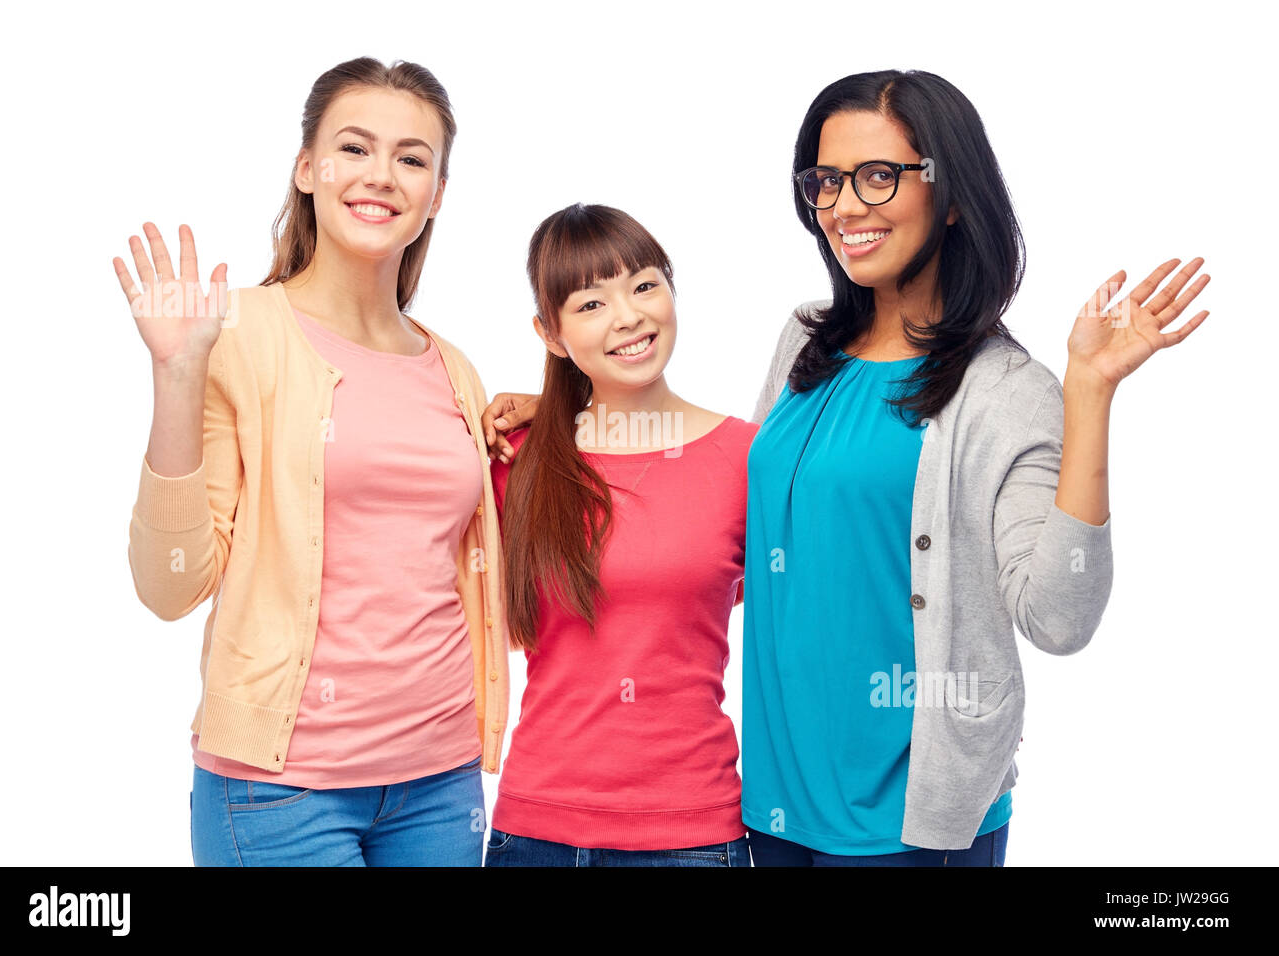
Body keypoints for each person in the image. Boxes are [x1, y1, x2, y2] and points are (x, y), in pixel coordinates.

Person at [481, 70, 1209, 867]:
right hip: (773, 810)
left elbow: (1059, 619)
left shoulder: (1004, 392)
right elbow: (730, 522)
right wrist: (564, 416)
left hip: (912, 823)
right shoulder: (805, 346)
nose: (844, 207)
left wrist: (1090, 396)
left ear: (953, 193)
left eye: (877, 176)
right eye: (827, 182)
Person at [119, 57, 508, 867]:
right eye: (354, 149)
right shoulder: (239, 335)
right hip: (280, 791)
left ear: (437, 193)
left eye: (412, 158)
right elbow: (170, 585)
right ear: (307, 169)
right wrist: (178, 378)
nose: (381, 176)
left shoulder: (455, 369)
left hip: (441, 782)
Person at [484, 204, 758, 867]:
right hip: (534, 833)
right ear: (550, 334)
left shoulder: (749, 458)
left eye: (643, 285)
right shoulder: (514, 456)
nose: (629, 316)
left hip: (692, 836)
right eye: (591, 303)